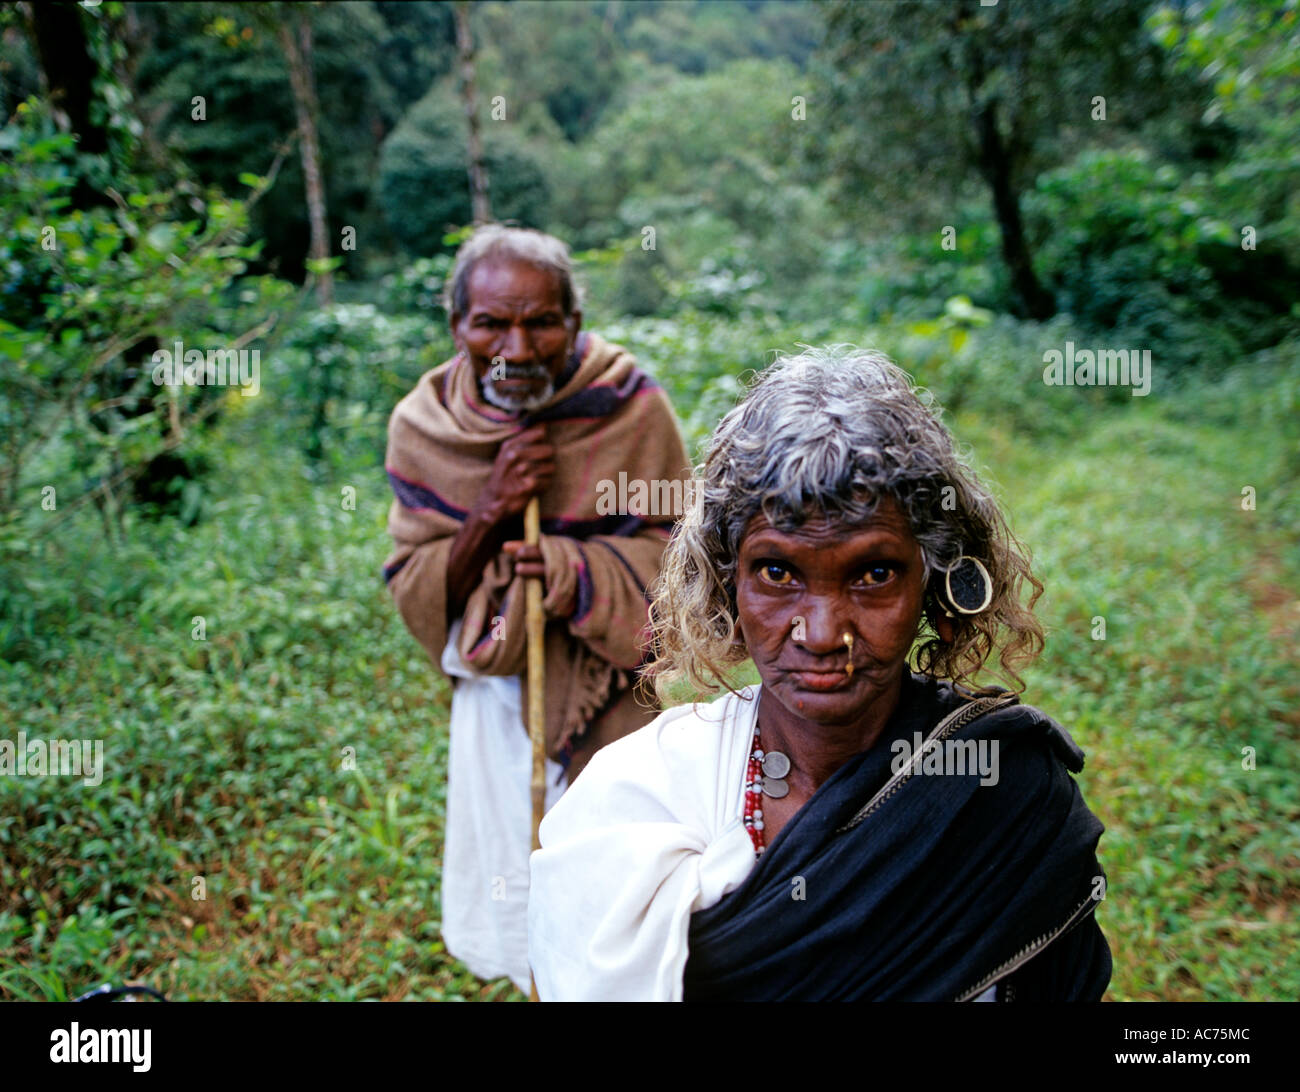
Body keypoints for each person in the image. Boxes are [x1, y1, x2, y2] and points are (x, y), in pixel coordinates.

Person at [528, 345, 1112, 1001]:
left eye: (873, 574)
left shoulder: (1008, 797)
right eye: (779, 573)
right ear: (728, 584)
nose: (821, 633)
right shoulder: (638, 799)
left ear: (936, 581)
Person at [382, 225, 691, 994]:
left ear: (573, 323)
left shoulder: (627, 405)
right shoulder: (425, 426)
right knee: (517, 886)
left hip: (611, 703)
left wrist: (570, 570)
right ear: (457, 327)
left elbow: (686, 558)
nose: (515, 349)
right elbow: (418, 586)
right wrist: (492, 510)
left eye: (540, 322)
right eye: (490, 323)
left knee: (615, 896)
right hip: (495, 708)